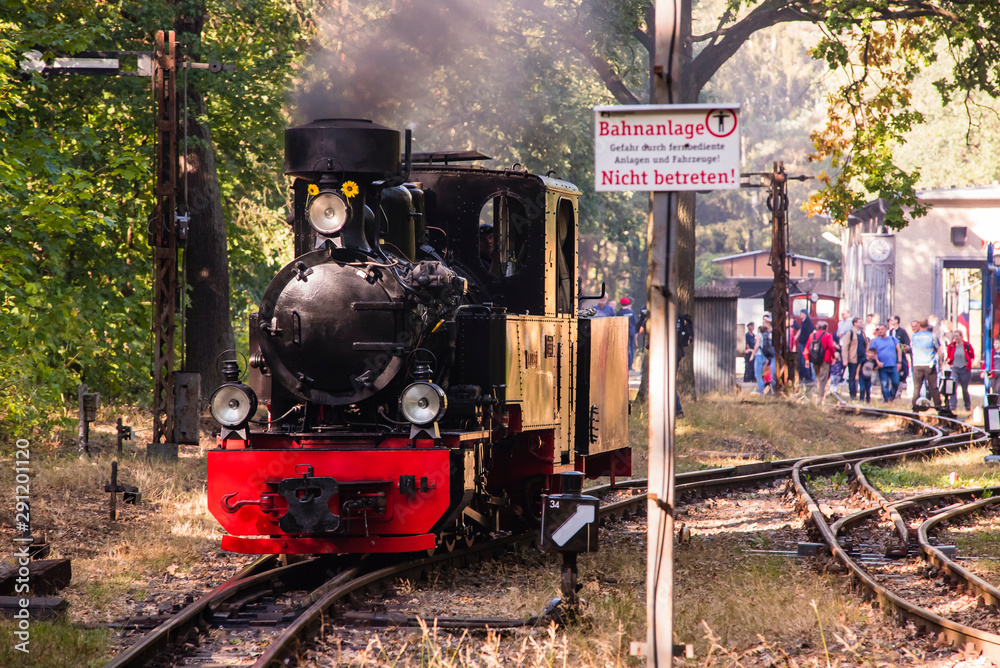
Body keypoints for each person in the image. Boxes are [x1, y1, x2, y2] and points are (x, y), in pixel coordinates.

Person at [909, 319, 942, 411]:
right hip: (929, 364)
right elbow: (938, 349)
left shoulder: (914, 336)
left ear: (919, 325)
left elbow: (912, 348)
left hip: (917, 364)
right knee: (933, 387)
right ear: (928, 325)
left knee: (917, 387)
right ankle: (938, 406)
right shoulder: (932, 336)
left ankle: (914, 406)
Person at [804, 321, 837, 404]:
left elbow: (807, 348)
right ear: (826, 328)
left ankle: (819, 395)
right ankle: (820, 398)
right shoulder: (827, 335)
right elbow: (831, 347)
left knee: (818, 378)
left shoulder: (812, 335)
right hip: (825, 359)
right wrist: (833, 356)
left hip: (814, 359)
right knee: (823, 379)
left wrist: (807, 359)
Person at [869, 324, 902, 403]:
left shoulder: (893, 339)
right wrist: (877, 362)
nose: (880, 331)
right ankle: (887, 399)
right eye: (879, 329)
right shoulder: (876, 341)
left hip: (893, 365)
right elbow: (874, 352)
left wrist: (899, 362)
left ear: (886, 330)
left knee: (896, 382)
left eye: (882, 329)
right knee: (884, 384)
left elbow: (899, 350)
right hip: (882, 366)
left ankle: (891, 396)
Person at [946, 330, 975, 411]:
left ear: (961, 336)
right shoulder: (951, 346)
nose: (955, 338)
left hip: (965, 369)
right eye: (954, 337)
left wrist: (970, 362)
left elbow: (972, 355)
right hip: (955, 368)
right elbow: (949, 355)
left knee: (964, 389)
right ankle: (952, 405)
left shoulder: (966, 345)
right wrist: (949, 362)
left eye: (957, 336)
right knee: (953, 387)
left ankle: (967, 405)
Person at [840, 317, 867, 400]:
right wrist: (845, 359)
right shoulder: (850, 333)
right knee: (852, 377)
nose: (861, 323)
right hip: (853, 358)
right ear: (855, 323)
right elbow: (845, 347)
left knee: (863, 376)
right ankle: (853, 395)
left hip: (862, 358)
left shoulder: (862, 333)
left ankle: (862, 396)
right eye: (859, 322)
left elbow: (865, 345)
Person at [888, 316, 911, 395]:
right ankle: (891, 392)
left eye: (892, 320)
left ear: (897, 321)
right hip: (891, 356)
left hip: (901, 356)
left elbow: (906, 343)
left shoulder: (902, 331)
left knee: (901, 373)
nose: (890, 321)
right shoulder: (889, 332)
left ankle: (898, 392)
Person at [753, 322, 775, 396]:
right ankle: (768, 389)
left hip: (759, 355)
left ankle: (762, 391)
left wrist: (753, 353)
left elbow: (757, 344)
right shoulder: (766, 336)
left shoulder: (758, 335)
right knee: (764, 374)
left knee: (757, 374)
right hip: (764, 357)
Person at [618, 298, 638, 369]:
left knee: (626, 348)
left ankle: (626, 364)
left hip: (623, 333)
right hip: (632, 332)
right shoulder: (631, 312)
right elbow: (635, 322)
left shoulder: (619, 313)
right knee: (631, 348)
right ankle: (630, 364)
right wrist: (636, 332)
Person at [797, 309, 815, 383]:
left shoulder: (807, 322)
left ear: (805, 314)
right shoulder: (804, 321)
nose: (800, 315)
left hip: (805, 343)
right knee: (802, 360)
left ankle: (807, 376)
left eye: (801, 313)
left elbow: (808, 332)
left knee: (804, 360)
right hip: (803, 342)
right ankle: (804, 375)